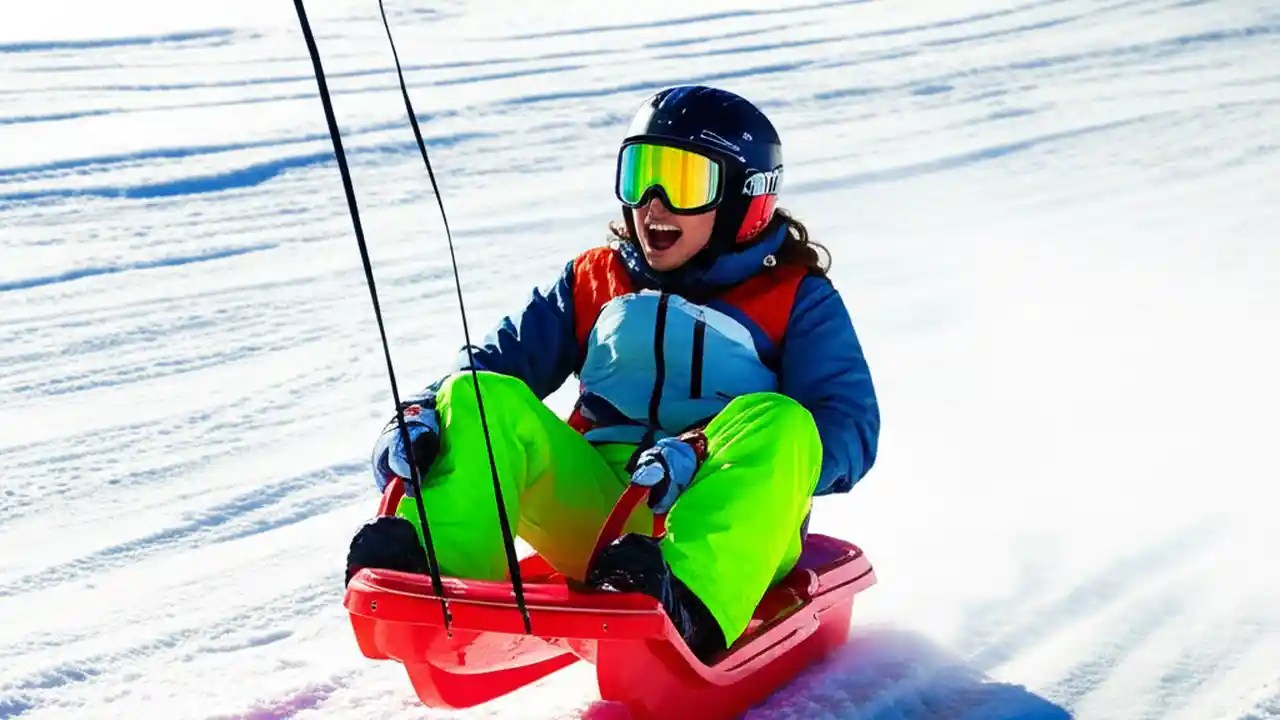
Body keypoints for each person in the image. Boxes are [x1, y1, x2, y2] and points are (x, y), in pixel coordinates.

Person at [345, 85, 880, 661]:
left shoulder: (795, 297)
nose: (652, 204)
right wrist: (423, 414)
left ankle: (689, 602)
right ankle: (436, 576)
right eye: (639, 174)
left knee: (782, 420)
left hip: (734, 528)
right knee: (478, 395)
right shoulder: (594, 279)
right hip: (606, 521)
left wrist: (703, 451)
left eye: (683, 181)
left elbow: (849, 428)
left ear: (743, 200)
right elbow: (490, 366)